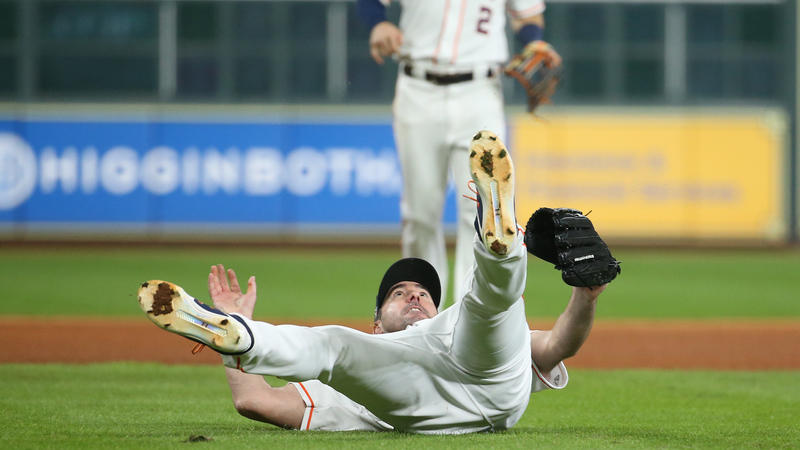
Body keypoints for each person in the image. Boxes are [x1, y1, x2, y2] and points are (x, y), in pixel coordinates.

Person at [137, 131, 604, 433]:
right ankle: (242, 336)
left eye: (421, 293)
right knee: (335, 346)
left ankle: (499, 238)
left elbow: (559, 344)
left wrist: (585, 294)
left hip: (483, 374)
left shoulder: (446, 325)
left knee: (485, 307)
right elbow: (256, 403)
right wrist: (232, 331)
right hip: (413, 403)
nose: (414, 294)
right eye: (398, 294)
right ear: (377, 321)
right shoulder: (371, 353)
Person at [356, 0, 562, 309]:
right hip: (418, 88)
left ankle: (470, 317)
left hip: (480, 93)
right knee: (420, 213)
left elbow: (528, 15)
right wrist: (378, 23)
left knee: (481, 213)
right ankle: (422, 316)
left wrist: (533, 41)